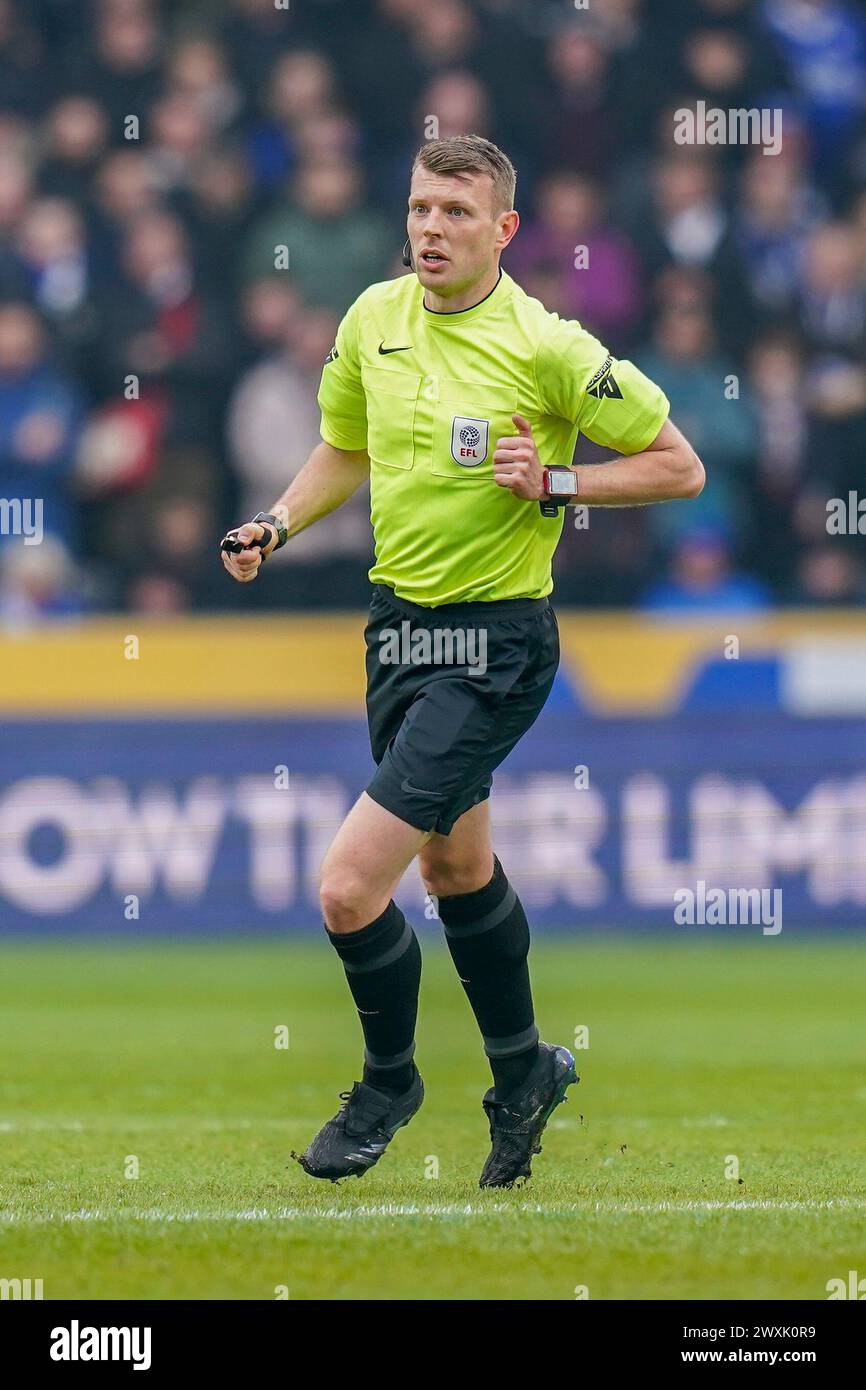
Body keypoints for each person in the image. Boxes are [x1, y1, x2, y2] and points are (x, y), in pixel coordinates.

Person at [220, 135, 704, 1188]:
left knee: (349, 888)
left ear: (503, 230)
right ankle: (522, 1070)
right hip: (396, 631)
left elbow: (678, 465)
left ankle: (388, 1080)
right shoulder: (371, 321)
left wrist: (563, 486)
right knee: (453, 868)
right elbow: (343, 446)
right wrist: (277, 522)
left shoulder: (547, 347)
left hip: (493, 644)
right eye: (419, 209)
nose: (430, 229)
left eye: (454, 212)